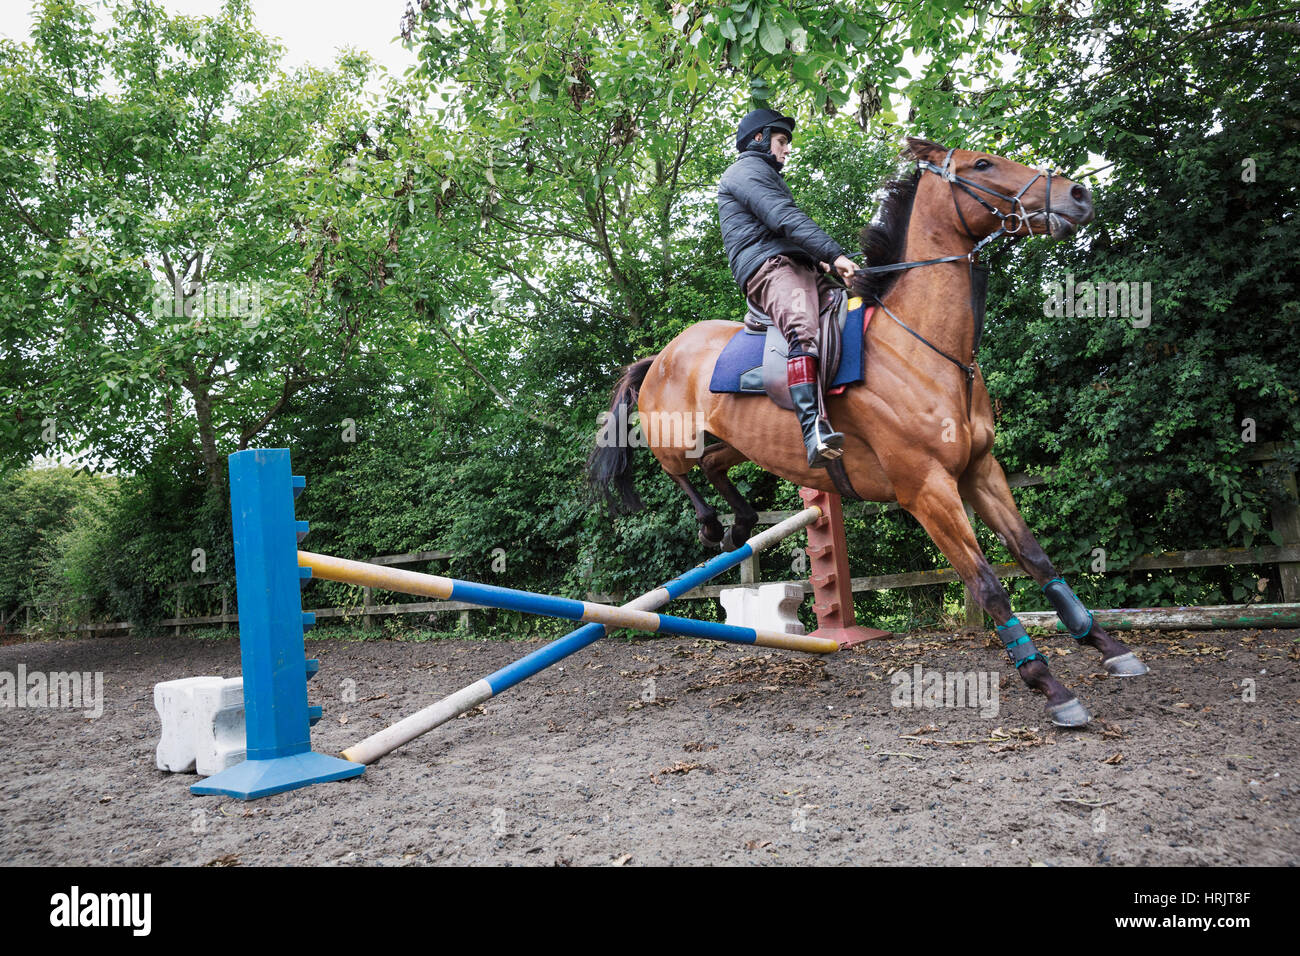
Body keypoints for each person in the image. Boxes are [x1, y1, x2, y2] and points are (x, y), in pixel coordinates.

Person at [717, 108, 860, 468]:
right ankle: (813, 430)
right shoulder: (744, 171)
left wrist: (824, 261)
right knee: (803, 327)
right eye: (782, 141)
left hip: (792, 262)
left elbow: (784, 230)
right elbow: (784, 218)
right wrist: (834, 253)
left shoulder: (762, 173)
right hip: (768, 268)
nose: (787, 149)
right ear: (759, 139)